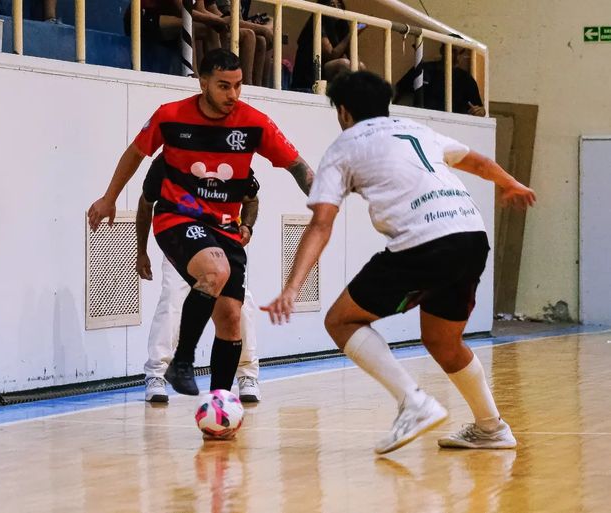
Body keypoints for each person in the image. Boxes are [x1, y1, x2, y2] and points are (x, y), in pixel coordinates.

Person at [263, 71, 536, 454]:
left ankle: (414, 402)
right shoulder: (416, 129)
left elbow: (321, 224)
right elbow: (476, 162)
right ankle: (491, 427)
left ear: (342, 112)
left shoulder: (342, 148)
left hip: (425, 243)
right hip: (471, 238)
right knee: (443, 340)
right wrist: (510, 183)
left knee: (340, 320)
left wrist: (292, 287)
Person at [88, 49, 313, 399]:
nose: (233, 95)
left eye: (238, 86)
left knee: (231, 319)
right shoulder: (170, 116)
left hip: (225, 228)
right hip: (177, 218)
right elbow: (135, 154)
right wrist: (109, 198)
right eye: (224, 86)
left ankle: (219, 404)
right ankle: (180, 361)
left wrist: (325, 196)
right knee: (212, 272)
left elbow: (297, 166)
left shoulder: (255, 122)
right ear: (203, 81)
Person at [137, 156, 262, 403]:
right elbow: (146, 202)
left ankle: (247, 374)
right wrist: (141, 251)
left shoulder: (234, 157)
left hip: (223, 241)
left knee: (240, 308)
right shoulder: (169, 158)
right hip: (182, 240)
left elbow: (251, 199)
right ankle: (157, 373)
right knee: (172, 299)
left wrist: (246, 226)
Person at [395, 35, 486, 116]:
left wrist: (480, 111)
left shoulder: (466, 79)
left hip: (454, 127)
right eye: (453, 52)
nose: (457, 58)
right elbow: (397, 93)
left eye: (461, 52)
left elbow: (479, 110)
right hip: (421, 123)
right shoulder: (423, 70)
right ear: (442, 50)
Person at [291, 0, 365, 92]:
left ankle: (357, 100)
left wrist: (354, 35)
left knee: (360, 66)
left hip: (326, 72)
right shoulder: (317, 22)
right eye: (332, 4)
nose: (336, 8)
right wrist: (351, 34)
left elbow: (354, 58)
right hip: (311, 74)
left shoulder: (342, 25)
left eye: (339, 5)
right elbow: (330, 55)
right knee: (344, 64)